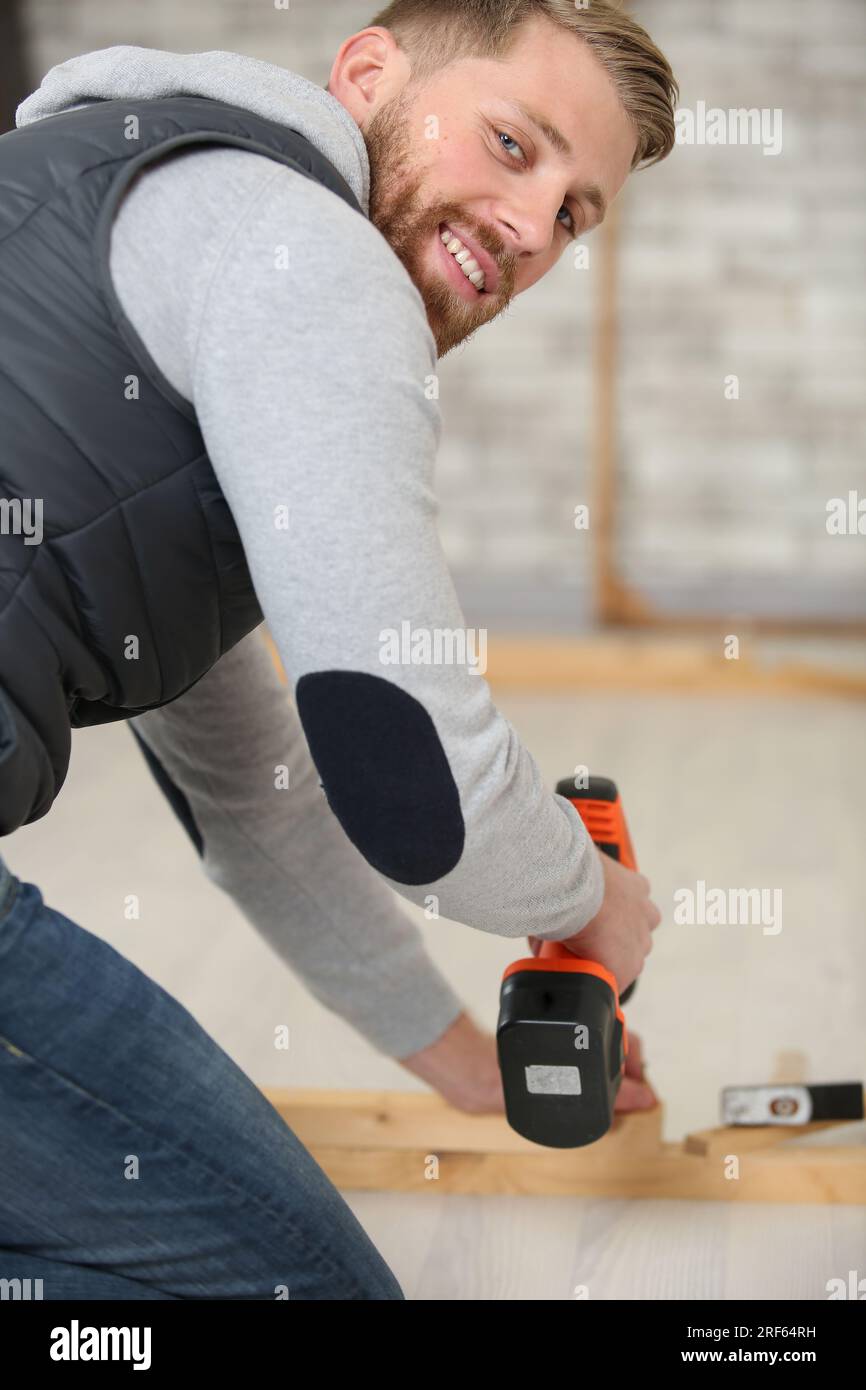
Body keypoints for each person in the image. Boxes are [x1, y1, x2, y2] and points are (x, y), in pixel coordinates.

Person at [0, 0, 674, 1299]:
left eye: (574, 212)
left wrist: (462, 1061)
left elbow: (257, 800)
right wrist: (591, 903)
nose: (534, 230)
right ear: (368, 73)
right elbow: (416, 773)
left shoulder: (136, 217)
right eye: (512, 145)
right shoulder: (305, 253)